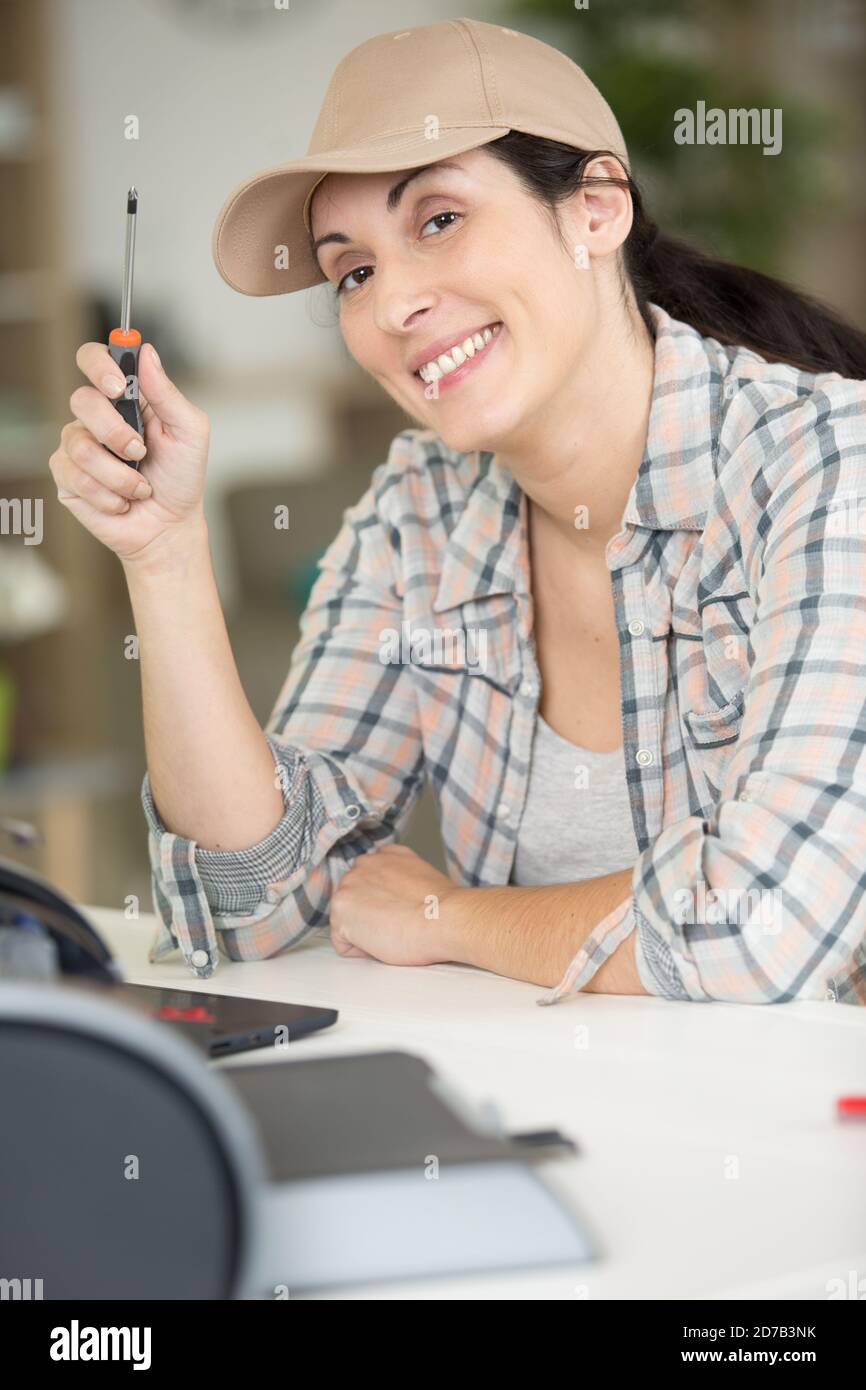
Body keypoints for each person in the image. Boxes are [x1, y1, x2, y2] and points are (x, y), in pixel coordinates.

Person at [49, 19, 866, 1005]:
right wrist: (165, 555)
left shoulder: (824, 463)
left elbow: (765, 931)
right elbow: (255, 909)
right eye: (351, 269)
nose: (392, 304)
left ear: (593, 211)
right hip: (548, 1106)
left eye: (437, 220)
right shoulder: (418, 513)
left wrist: (444, 916)